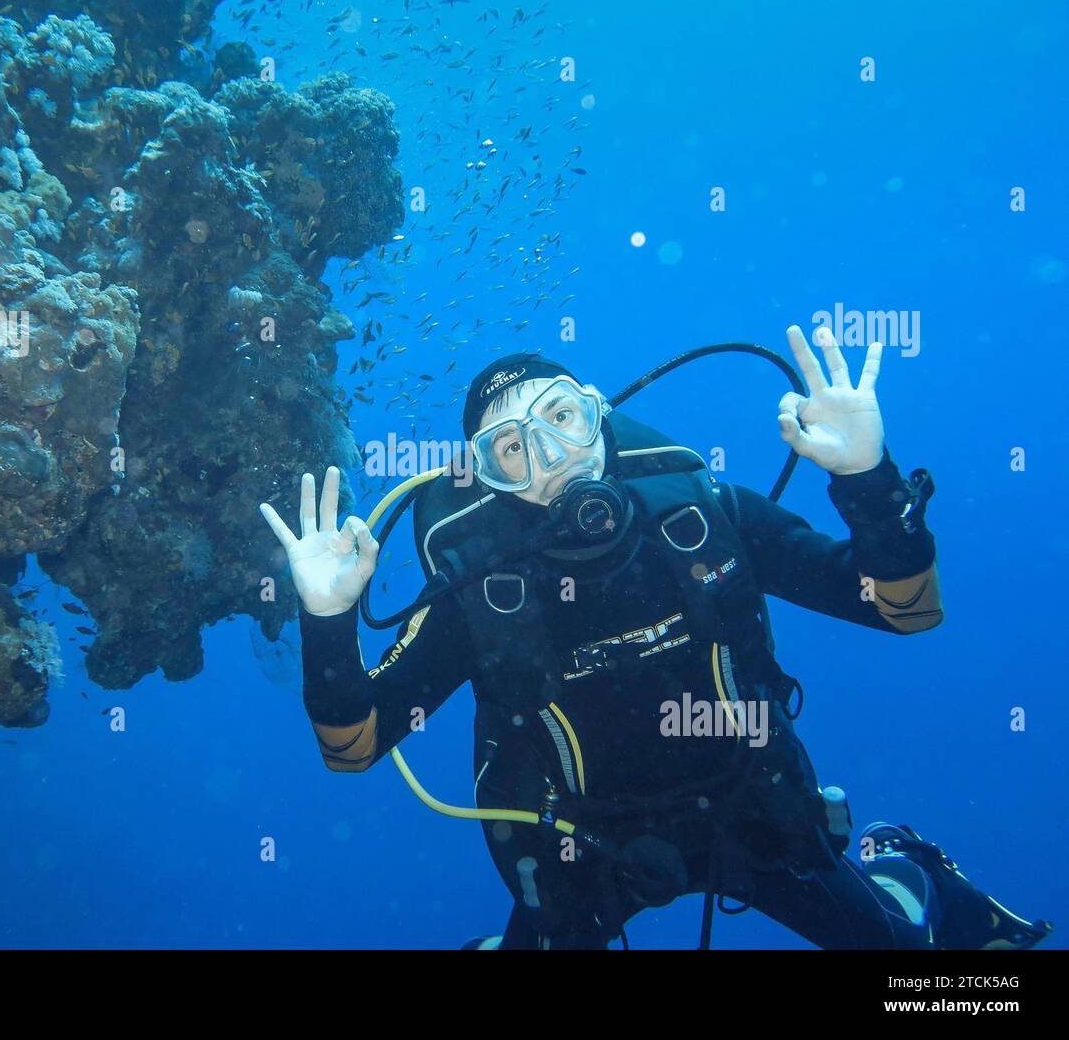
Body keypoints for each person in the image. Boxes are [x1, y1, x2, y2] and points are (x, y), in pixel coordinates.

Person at [259, 326, 1052, 950]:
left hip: (751, 811)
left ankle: (910, 869)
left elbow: (905, 608)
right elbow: (354, 745)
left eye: (560, 419)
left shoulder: (702, 517)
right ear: (491, 477)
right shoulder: (479, 595)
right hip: (584, 853)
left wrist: (868, 478)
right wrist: (326, 621)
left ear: (597, 415)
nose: (550, 460)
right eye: (512, 449)